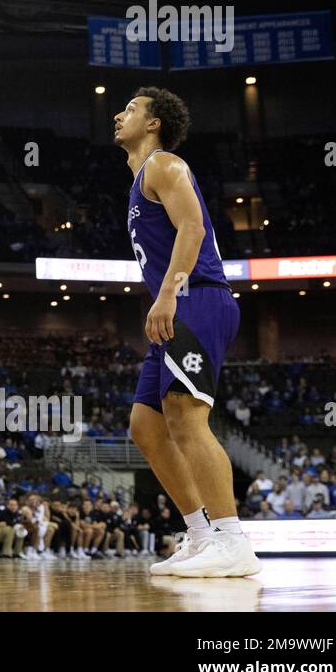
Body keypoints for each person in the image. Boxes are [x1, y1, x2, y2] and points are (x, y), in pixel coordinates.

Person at [117, 89, 259, 578]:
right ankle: (201, 536)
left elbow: (193, 229)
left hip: (197, 297)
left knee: (186, 417)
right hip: (180, 303)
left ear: (153, 123)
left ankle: (232, 540)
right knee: (145, 426)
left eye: (131, 109)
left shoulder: (163, 164)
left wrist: (167, 294)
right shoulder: (141, 177)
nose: (119, 115)